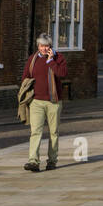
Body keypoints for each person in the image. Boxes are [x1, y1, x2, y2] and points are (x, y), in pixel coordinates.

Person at [23, 33, 68, 171]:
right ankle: (33, 161)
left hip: (54, 101)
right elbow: (26, 77)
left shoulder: (58, 58)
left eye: (46, 46)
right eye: (42, 46)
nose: (44, 48)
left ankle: (52, 161)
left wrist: (51, 61)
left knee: (53, 132)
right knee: (35, 132)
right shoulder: (33, 59)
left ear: (50, 46)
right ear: (38, 46)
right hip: (36, 101)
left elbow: (62, 73)